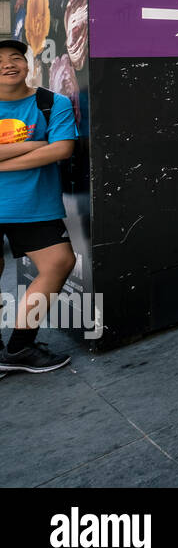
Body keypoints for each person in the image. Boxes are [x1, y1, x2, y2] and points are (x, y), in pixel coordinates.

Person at [0, 39, 78, 374]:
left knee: (60, 262)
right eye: (0, 60)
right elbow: (47, 147)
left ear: (28, 64)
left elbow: (61, 150)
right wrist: (34, 144)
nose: (8, 64)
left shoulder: (51, 102)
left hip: (34, 203)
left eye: (16, 57)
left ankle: (19, 347)